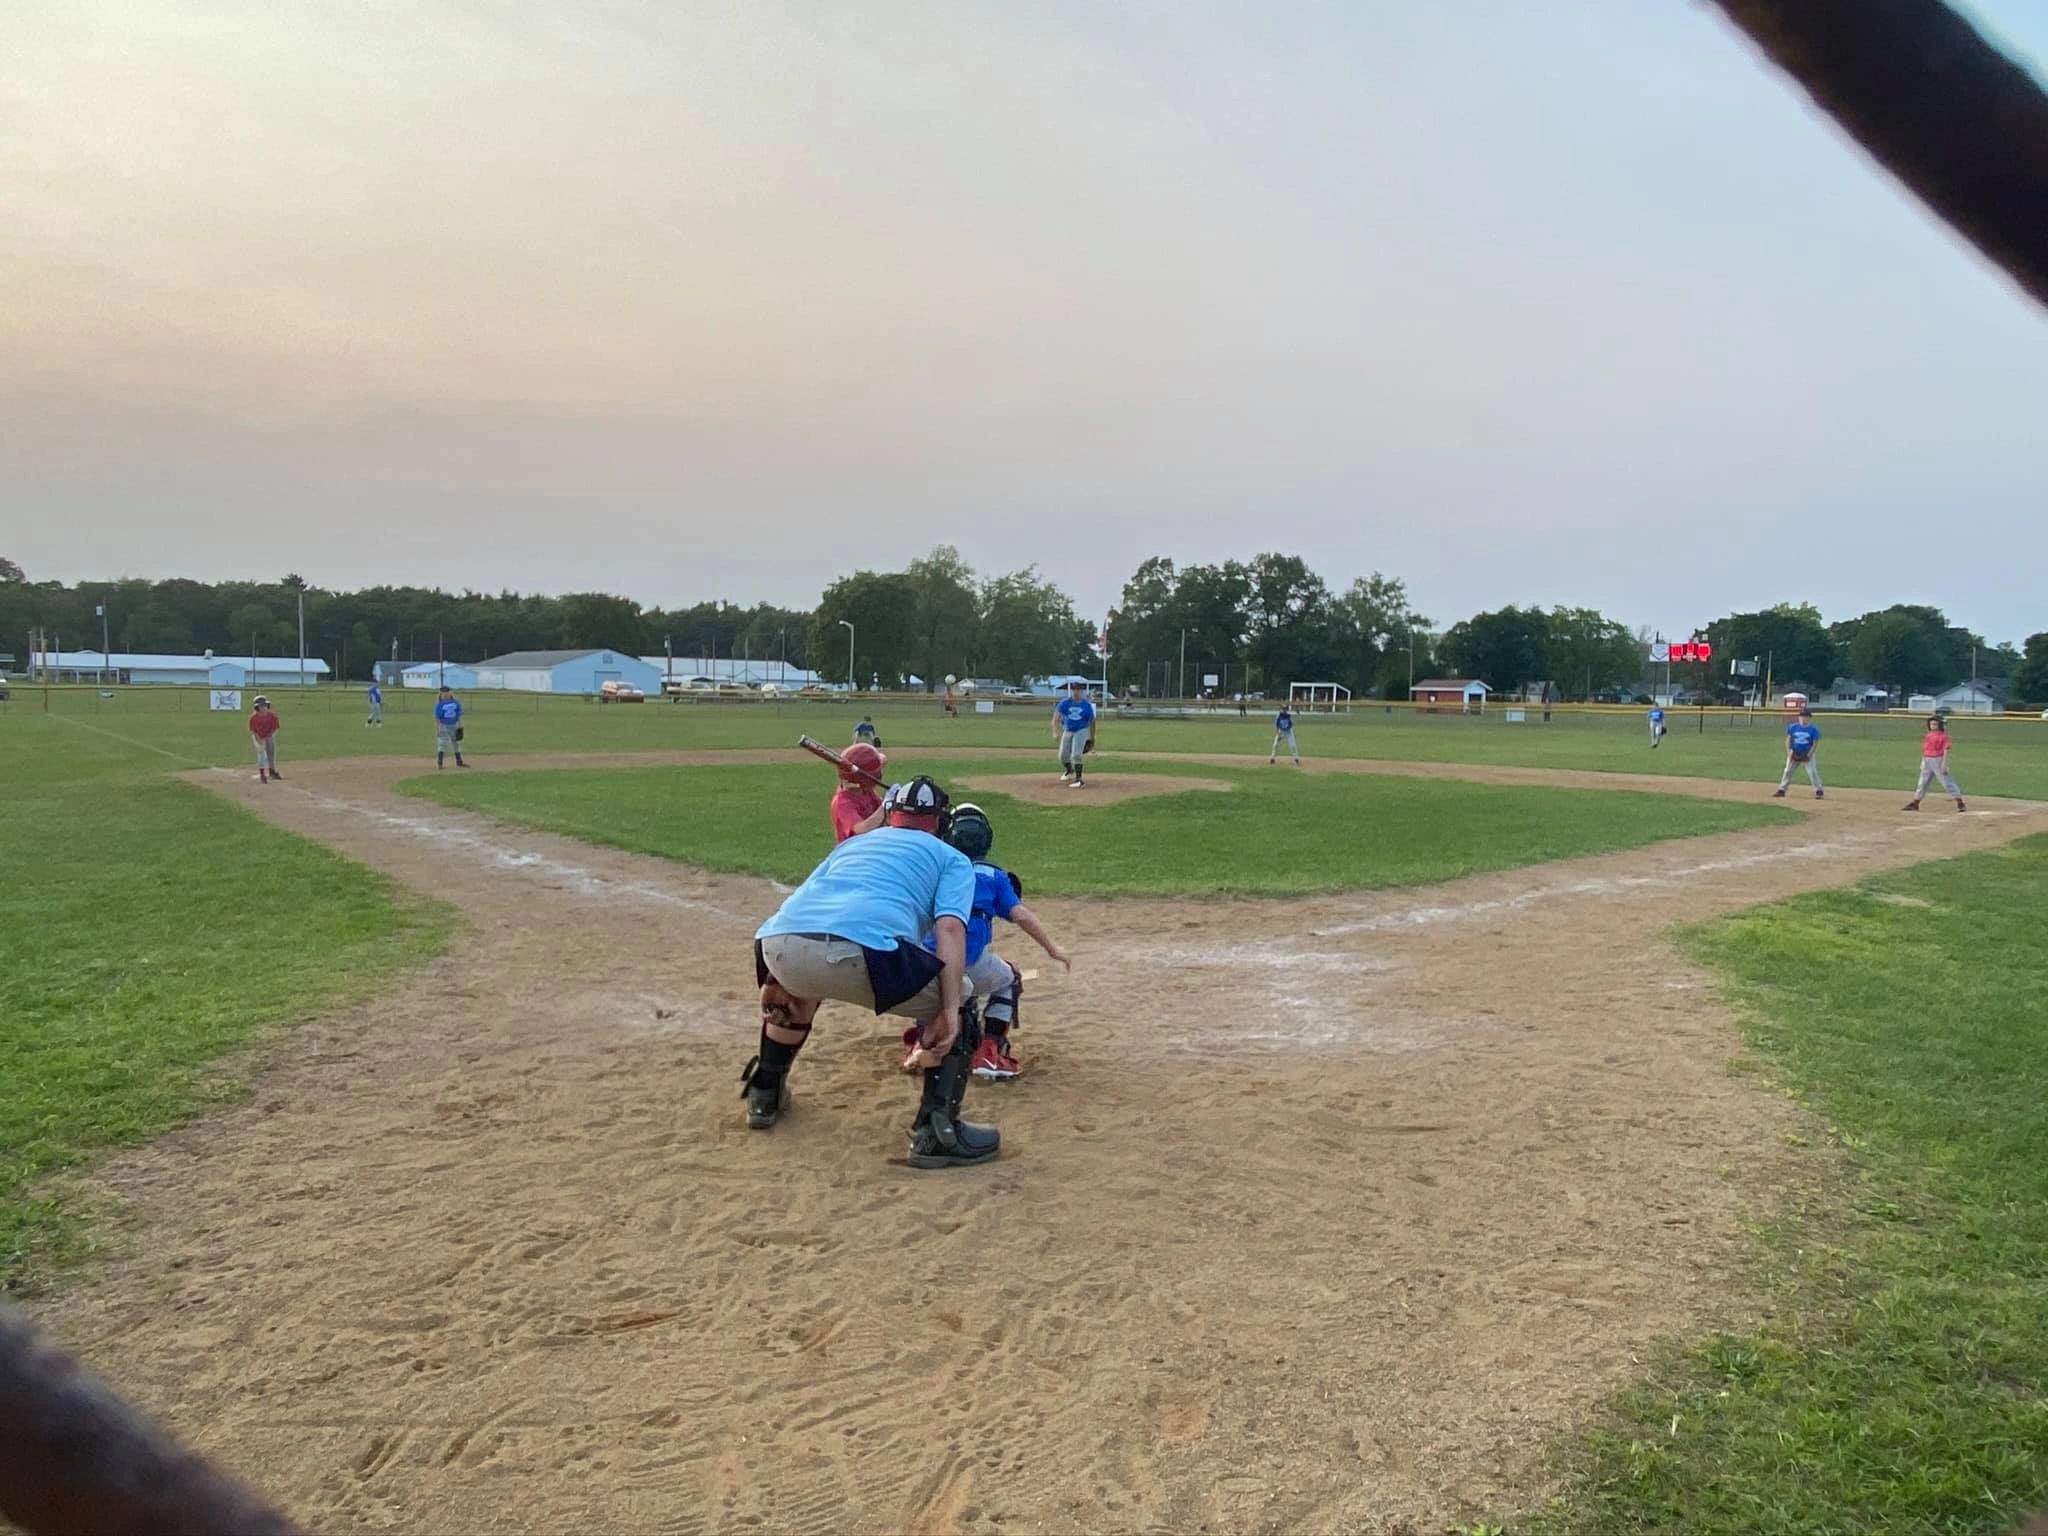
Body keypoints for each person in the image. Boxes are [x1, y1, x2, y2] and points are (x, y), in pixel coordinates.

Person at [744, 776, 998, 1168]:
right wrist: (949, 1008)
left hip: (779, 944)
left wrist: (774, 977)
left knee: (795, 992)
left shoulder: (853, 844)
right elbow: (950, 929)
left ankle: (764, 1094)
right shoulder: (952, 859)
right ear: (940, 821)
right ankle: (937, 1132)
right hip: (865, 954)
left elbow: (801, 907)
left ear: (890, 813)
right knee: (959, 997)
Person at [918, 803, 1069, 1081]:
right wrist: (1052, 949)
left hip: (923, 963)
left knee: (935, 989)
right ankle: (988, 1052)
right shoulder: (993, 876)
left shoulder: (936, 870)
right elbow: (1021, 915)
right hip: (967, 962)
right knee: (1009, 978)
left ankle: (922, 1044)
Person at [1904, 715, 1966, 812]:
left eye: (1935, 724)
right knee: (1922, 782)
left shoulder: (1944, 736)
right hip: (1927, 760)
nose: (1932, 726)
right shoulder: (1928, 735)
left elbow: (1946, 750)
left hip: (1938, 760)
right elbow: (1925, 749)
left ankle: (1960, 803)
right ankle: (1915, 803)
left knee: (1946, 782)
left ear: (1941, 725)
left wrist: (1944, 763)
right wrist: (1923, 761)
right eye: (1931, 724)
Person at [830, 742, 889, 843]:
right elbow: (861, 830)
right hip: (855, 851)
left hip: (872, 847)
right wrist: (886, 805)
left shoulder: (865, 791)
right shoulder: (843, 802)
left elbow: (883, 760)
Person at [1054, 678, 1096, 787]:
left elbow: (1092, 721)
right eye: (1074, 689)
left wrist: (1092, 737)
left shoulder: (1086, 705)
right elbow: (1056, 718)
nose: (1075, 692)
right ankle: (1069, 771)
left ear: (1081, 691)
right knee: (1063, 756)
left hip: (1081, 730)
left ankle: (1079, 780)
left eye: (1078, 689)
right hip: (1068, 730)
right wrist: (1055, 732)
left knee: (1076, 754)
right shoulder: (1065, 703)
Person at [1774, 707, 1824, 798]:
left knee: (1812, 772)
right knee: (1787, 771)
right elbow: (1788, 740)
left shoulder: (1813, 729)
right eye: (1801, 716)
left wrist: (1809, 755)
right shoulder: (1793, 727)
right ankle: (1782, 789)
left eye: (1805, 716)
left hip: (1807, 753)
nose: (1803, 718)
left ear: (1809, 718)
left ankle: (1818, 790)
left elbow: (1815, 744)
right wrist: (1789, 752)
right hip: (1794, 752)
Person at [248, 695, 282, 782]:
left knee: (271, 752)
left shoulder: (272, 716)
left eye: (265, 705)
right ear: (257, 707)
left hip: (269, 735)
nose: (264, 707)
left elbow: (276, 728)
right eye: (261, 706)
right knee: (261, 752)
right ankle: (262, 774)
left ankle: (272, 771)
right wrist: (260, 740)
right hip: (258, 736)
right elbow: (253, 731)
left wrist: (269, 737)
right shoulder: (253, 718)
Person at [433, 685, 468, 769]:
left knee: (456, 743)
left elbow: (458, 714)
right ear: (441, 693)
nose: (445, 694)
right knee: (442, 743)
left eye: (447, 692)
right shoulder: (439, 705)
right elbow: (437, 718)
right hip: (443, 726)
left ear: (450, 692)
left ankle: (459, 762)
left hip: (454, 725)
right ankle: (440, 763)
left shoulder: (456, 702)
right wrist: (438, 728)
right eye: (443, 692)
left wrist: (460, 724)